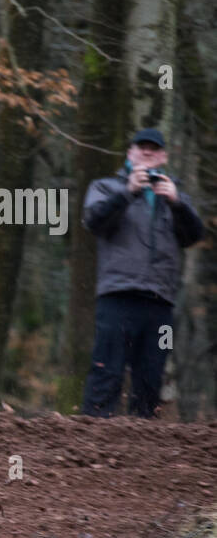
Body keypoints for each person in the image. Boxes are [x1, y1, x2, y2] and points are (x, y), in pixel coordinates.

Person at [80, 128, 205, 417]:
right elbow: (93, 221)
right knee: (106, 370)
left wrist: (177, 203)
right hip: (117, 296)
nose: (147, 152)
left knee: (151, 377)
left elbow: (193, 236)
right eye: (141, 147)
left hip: (160, 302)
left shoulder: (175, 195)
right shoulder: (106, 187)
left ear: (163, 156)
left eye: (154, 149)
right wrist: (128, 193)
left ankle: (143, 450)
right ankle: (89, 444)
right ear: (130, 153)